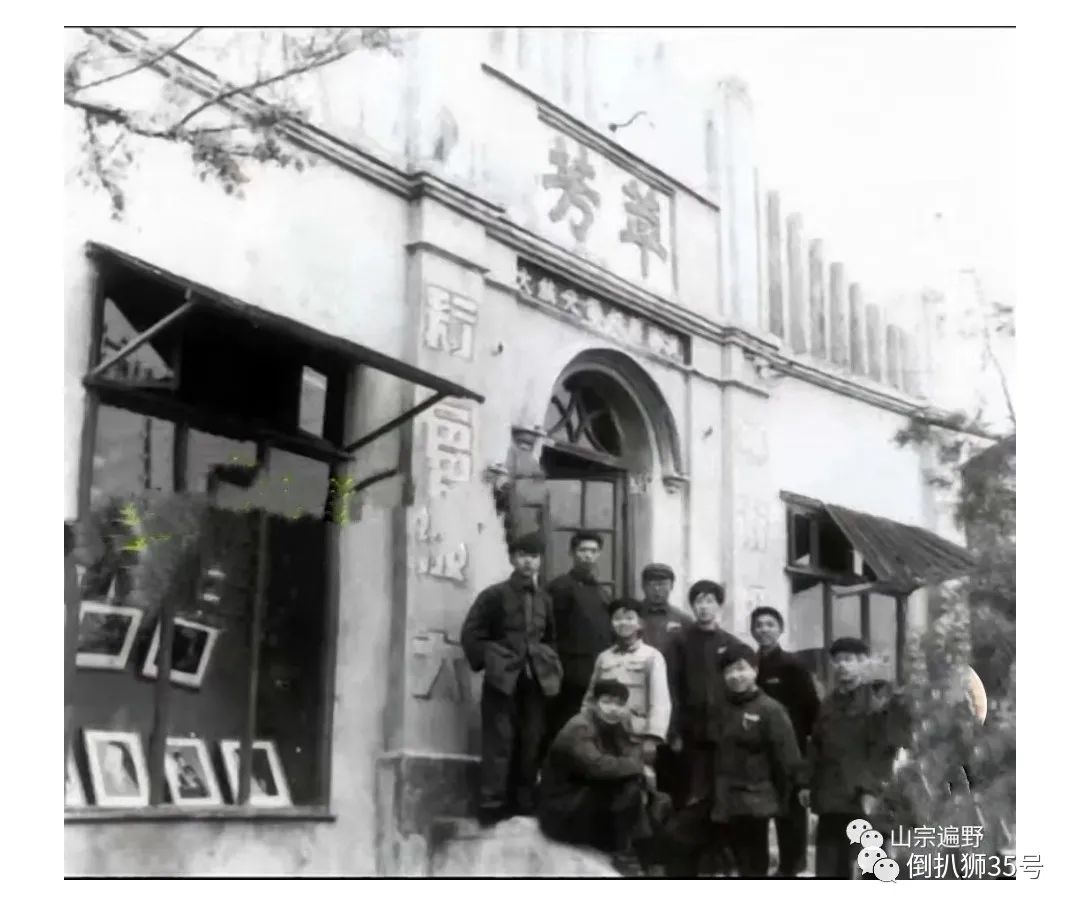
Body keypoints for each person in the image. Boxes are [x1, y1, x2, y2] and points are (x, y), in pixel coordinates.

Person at [461, 531, 563, 826]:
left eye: (533, 556)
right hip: (502, 680)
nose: (528, 562)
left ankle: (523, 800)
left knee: (531, 739)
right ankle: (492, 802)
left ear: (540, 561)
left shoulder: (545, 600)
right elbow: (472, 634)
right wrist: (491, 661)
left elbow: (551, 638)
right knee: (499, 739)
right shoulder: (494, 595)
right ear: (512, 559)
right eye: (522, 556)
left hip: (535, 681)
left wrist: (548, 664)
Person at [799, 637, 910, 879]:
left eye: (849, 660)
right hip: (831, 798)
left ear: (863, 663)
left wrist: (870, 788)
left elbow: (885, 749)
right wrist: (808, 783)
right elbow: (816, 746)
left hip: (865, 797)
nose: (842, 666)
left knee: (871, 864)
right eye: (837, 661)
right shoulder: (828, 703)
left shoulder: (878, 701)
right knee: (829, 869)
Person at [661, 580, 741, 876]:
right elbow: (671, 688)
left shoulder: (731, 644)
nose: (704, 607)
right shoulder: (679, 642)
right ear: (693, 606)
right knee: (688, 798)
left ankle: (717, 860)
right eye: (699, 601)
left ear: (719, 606)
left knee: (719, 798)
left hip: (722, 735)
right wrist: (674, 731)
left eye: (710, 601)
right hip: (690, 735)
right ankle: (683, 867)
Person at [710, 641, 803, 877]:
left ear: (755, 670)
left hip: (756, 803)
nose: (736, 676)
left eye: (741, 668)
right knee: (731, 865)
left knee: (753, 866)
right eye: (729, 670)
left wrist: (780, 802)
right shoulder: (720, 709)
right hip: (725, 801)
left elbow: (788, 761)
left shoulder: (770, 710)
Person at [538, 678, 648, 872]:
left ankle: (637, 851)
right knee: (628, 788)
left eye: (619, 703)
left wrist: (631, 732)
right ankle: (623, 851)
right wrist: (637, 767)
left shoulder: (612, 725)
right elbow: (598, 767)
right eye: (607, 701)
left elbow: (628, 755)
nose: (613, 709)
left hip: (581, 800)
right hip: (561, 811)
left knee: (645, 791)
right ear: (594, 702)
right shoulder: (580, 726)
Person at [749, 605, 821, 877]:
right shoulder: (749, 665)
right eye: (758, 625)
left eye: (769, 624)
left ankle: (792, 865)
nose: (764, 629)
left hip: (791, 749)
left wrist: (805, 749)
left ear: (780, 629)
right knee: (762, 807)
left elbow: (812, 709)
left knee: (790, 810)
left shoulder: (793, 666)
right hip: (758, 751)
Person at [545, 531, 612, 751]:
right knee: (564, 729)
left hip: (594, 674)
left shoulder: (601, 592)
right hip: (568, 675)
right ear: (572, 553)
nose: (588, 556)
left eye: (593, 551)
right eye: (583, 550)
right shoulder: (561, 587)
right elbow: (550, 630)